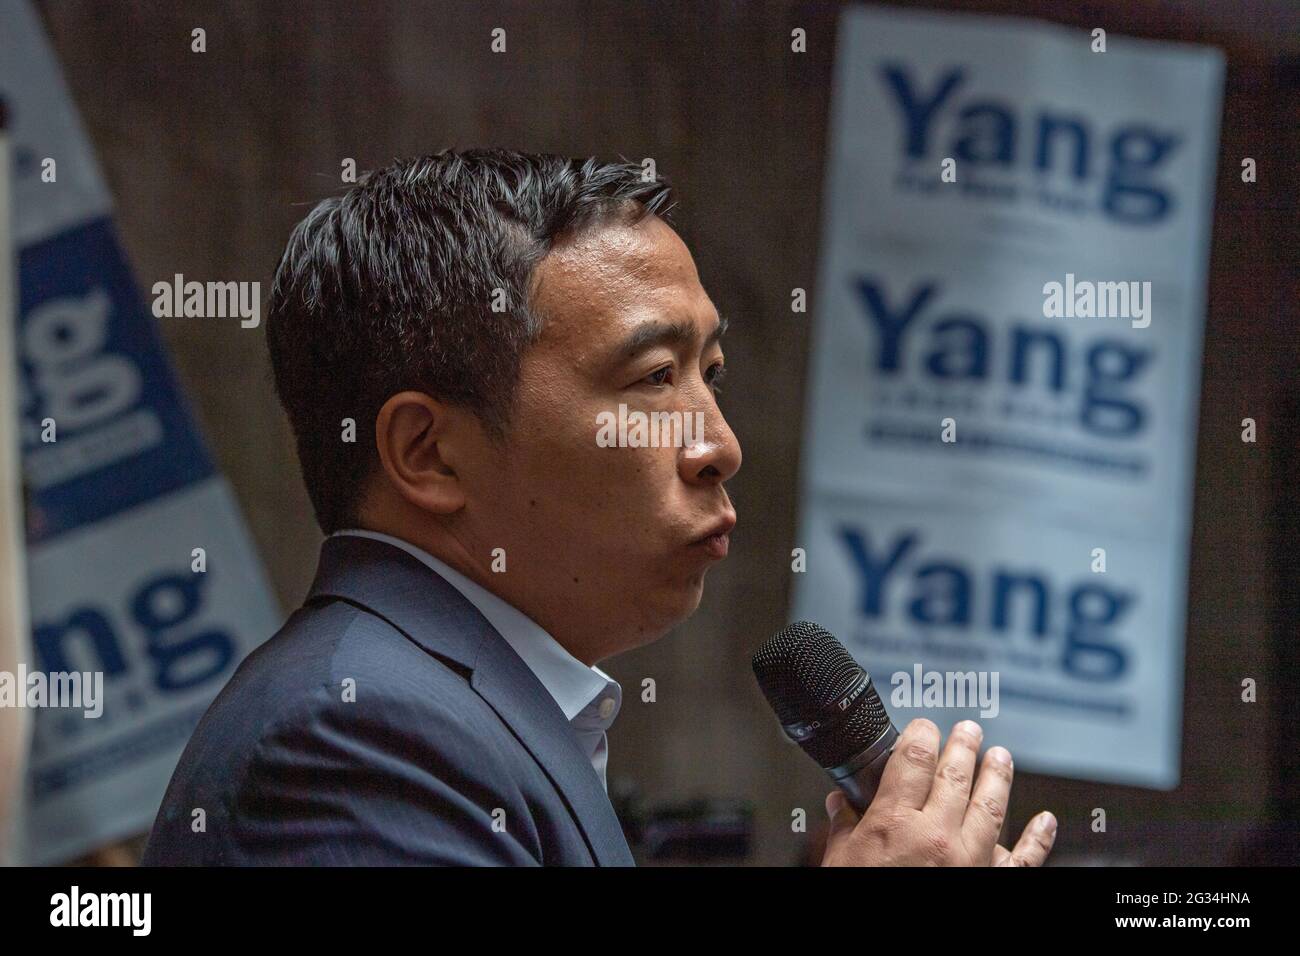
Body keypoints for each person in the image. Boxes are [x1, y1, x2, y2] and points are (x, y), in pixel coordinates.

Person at [142, 148, 1055, 866]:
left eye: (713, 376)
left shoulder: (453, 709)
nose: (721, 446)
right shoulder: (353, 739)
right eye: (655, 378)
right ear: (428, 453)